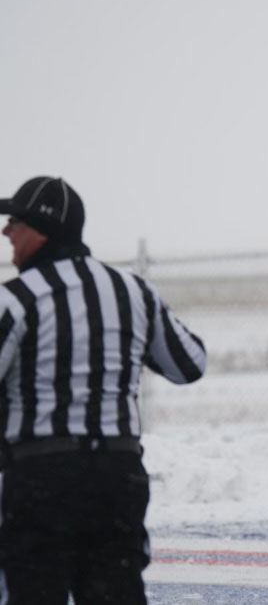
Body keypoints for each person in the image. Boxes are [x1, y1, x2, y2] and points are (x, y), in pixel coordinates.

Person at [0, 176, 207, 604]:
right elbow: (189, 364)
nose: (6, 233)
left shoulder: (17, 298)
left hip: (41, 475)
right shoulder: (132, 290)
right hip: (117, 474)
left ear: (40, 229)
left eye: (13, 223)